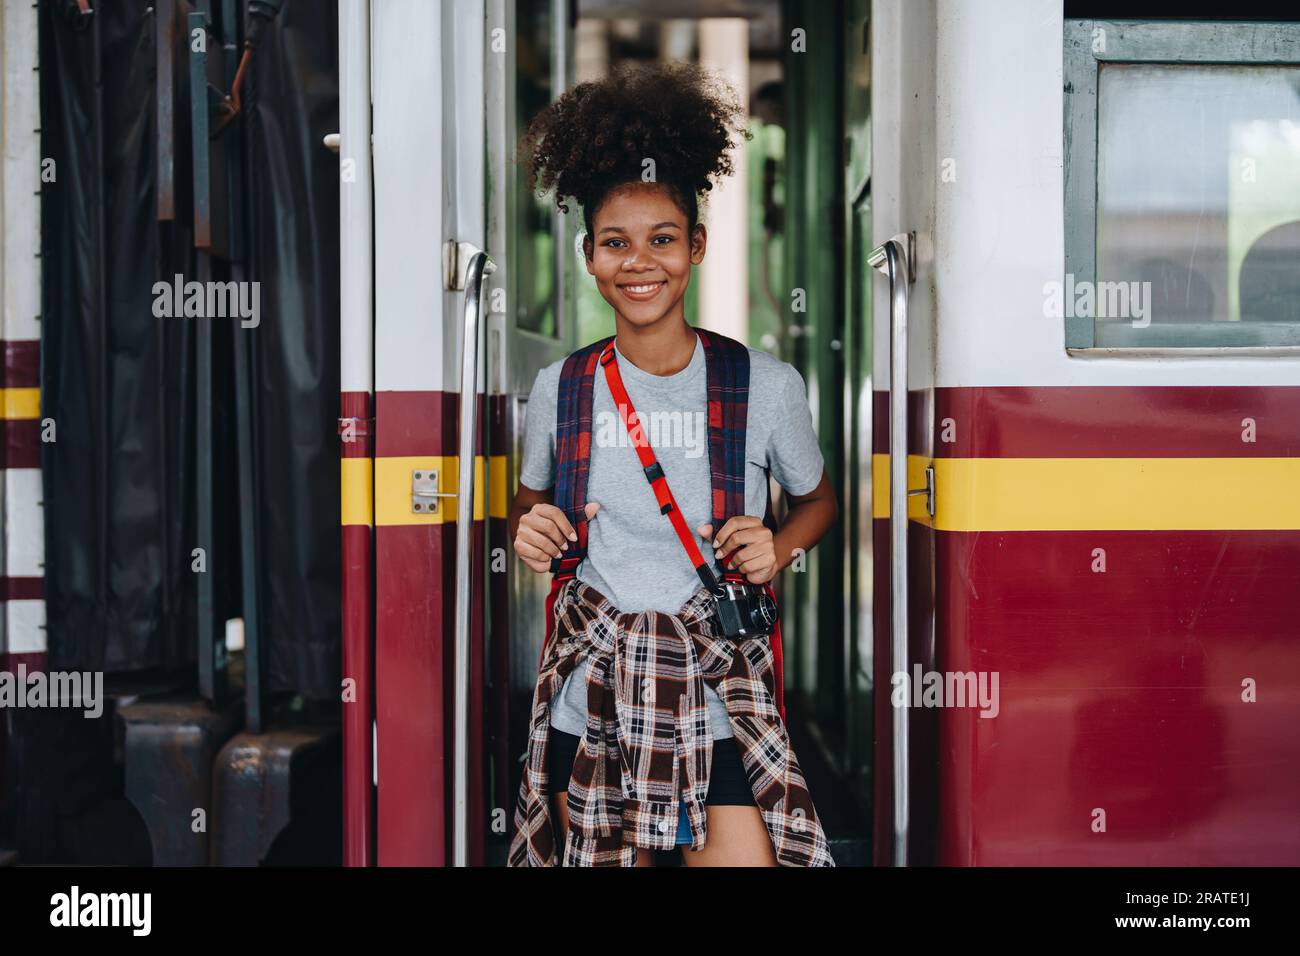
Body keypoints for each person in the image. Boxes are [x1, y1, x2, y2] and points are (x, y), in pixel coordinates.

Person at [506, 62, 837, 867]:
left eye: (661, 240)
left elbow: (819, 500)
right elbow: (526, 507)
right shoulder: (561, 389)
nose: (639, 262)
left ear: (695, 246)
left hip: (723, 698)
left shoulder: (767, 385)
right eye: (615, 243)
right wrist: (531, 530)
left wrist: (779, 546)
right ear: (589, 256)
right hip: (591, 699)